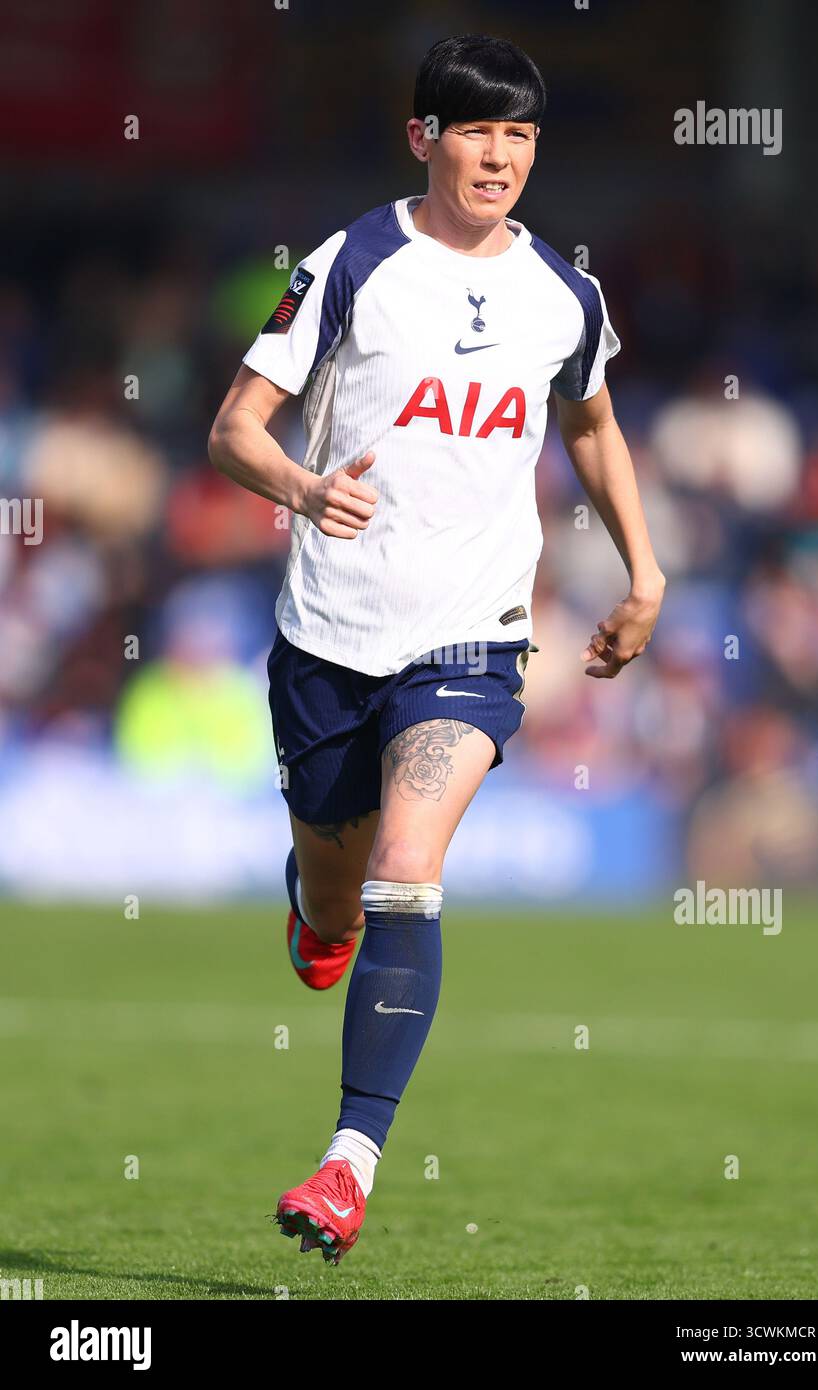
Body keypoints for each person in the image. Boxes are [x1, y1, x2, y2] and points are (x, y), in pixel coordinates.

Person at [208, 33, 665, 1265]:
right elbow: (232, 429)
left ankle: (348, 1163)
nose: (499, 157)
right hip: (328, 639)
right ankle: (317, 909)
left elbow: (594, 424)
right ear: (425, 138)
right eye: (476, 131)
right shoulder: (353, 262)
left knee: (413, 863)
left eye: (518, 135)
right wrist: (304, 489)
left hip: (471, 640)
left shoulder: (563, 295)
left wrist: (644, 569)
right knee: (339, 882)